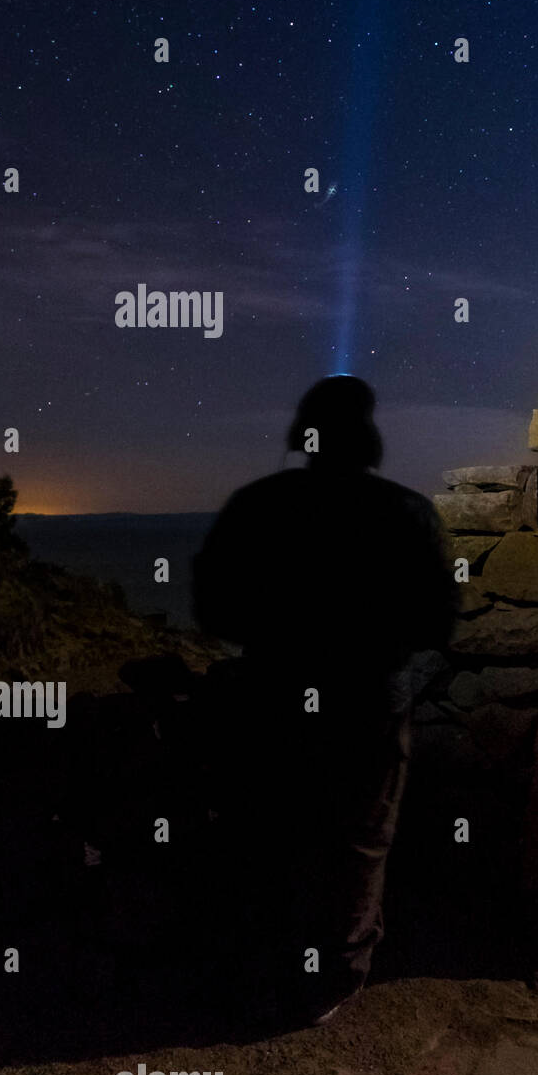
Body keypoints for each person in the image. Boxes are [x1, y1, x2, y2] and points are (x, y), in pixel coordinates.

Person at [192, 375, 457, 1029]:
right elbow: (438, 620)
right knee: (359, 842)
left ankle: (260, 967)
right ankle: (330, 983)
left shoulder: (257, 505)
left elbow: (213, 607)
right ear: (369, 436)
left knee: (269, 828)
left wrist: (281, 634)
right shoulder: (408, 512)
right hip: (370, 703)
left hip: (270, 696)